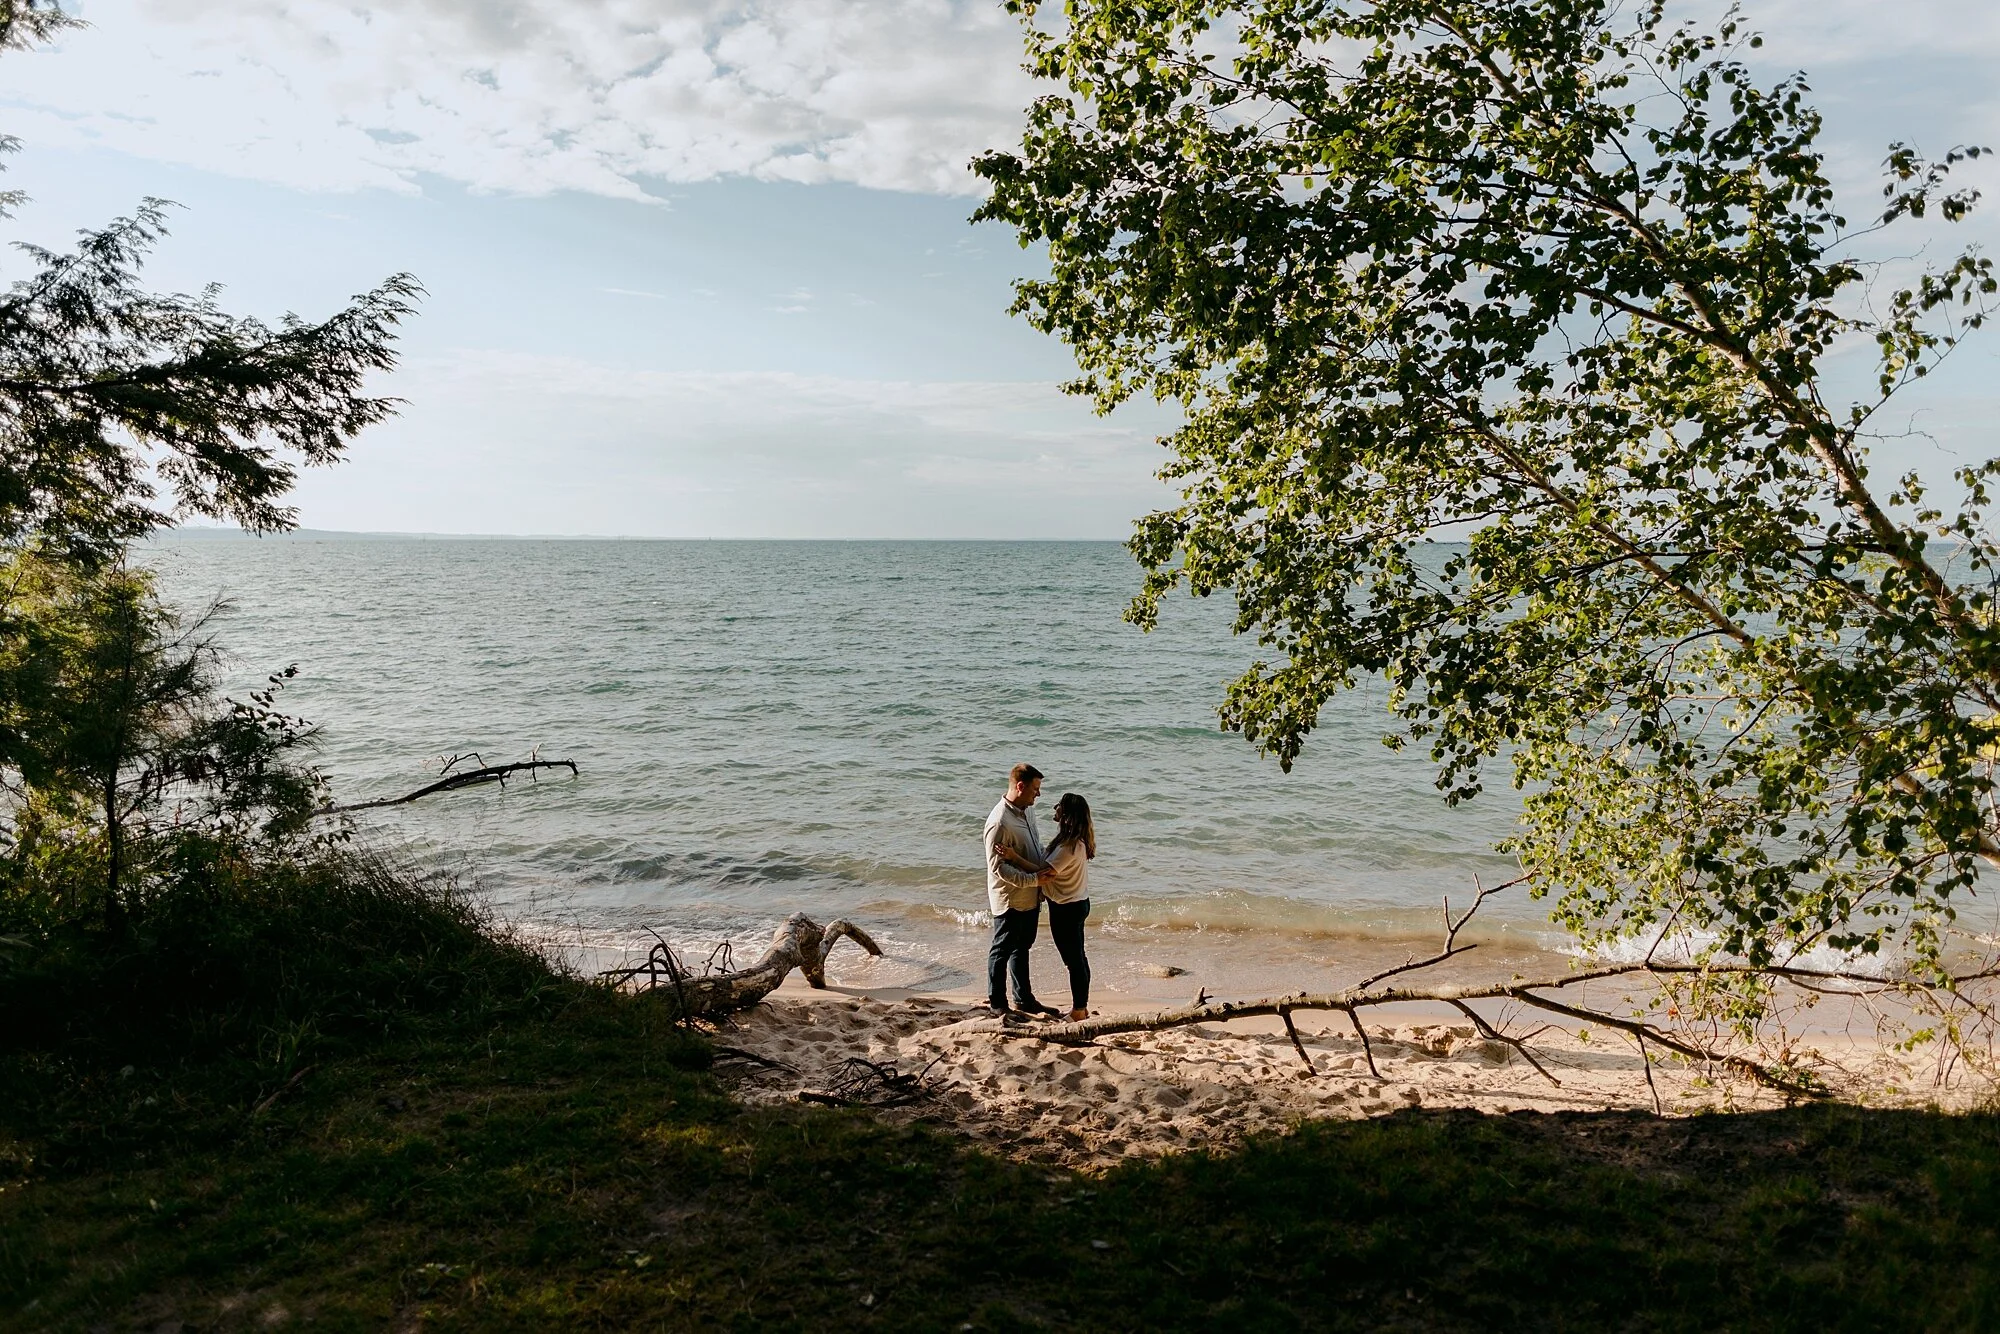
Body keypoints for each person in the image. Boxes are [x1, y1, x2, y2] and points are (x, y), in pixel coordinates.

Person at [983, 762, 1058, 1017]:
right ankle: (997, 1005)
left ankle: (1024, 999)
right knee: (1002, 949)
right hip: (1010, 899)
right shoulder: (999, 823)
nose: (1039, 794)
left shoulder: (1027, 812)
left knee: (1022, 947)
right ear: (1020, 786)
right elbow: (999, 869)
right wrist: (1034, 880)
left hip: (1030, 897)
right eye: (1035, 789)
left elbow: (1033, 847)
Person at [1039, 793, 1095, 1021]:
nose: (1055, 808)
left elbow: (1045, 874)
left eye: (1059, 806)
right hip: (1075, 903)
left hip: (1067, 908)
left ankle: (1079, 1010)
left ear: (1068, 814)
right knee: (1078, 958)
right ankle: (1081, 1007)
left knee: (1074, 961)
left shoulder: (1069, 846)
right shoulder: (1072, 841)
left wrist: (1014, 856)